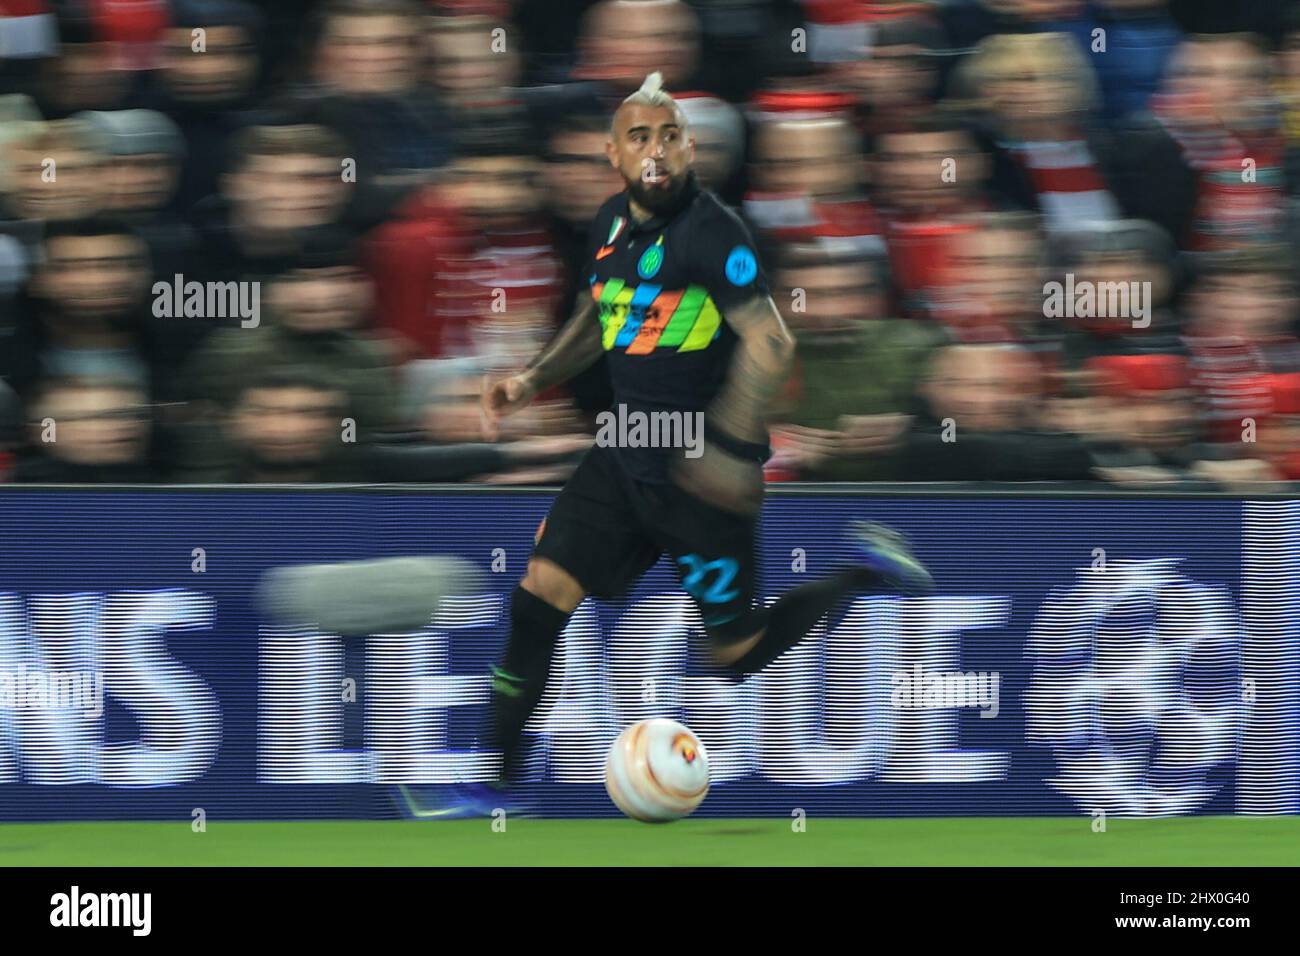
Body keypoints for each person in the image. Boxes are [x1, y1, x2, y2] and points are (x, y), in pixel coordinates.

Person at [422, 72, 936, 817]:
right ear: (613, 154)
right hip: (627, 446)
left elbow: (770, 339)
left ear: (690, 149)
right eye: (640, 137)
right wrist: (531, 379)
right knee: (539, 595)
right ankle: (490, 782)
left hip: (701, 466)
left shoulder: (711, 231)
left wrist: (727, 445)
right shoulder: (607, 224)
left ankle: (857, 574)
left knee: (736, 655)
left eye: (670, 136)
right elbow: (601, 316)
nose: (656, 151)